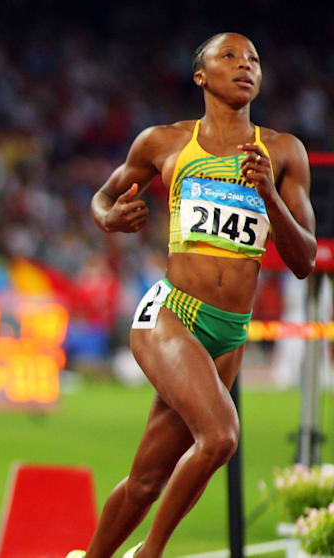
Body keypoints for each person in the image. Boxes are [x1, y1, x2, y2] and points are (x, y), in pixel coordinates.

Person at [71, 32, 316, 558]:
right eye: (228, 56)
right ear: (200, 75)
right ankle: (149, 553)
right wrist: (110, 219)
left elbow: (304, 260)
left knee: (146, 479)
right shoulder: (165, 142)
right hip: (170, 314)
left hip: (229, 331)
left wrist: (269, 194)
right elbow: (103, 195)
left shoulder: (284, 151)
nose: (244, 65)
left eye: (253, 57)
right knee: (222, 436)